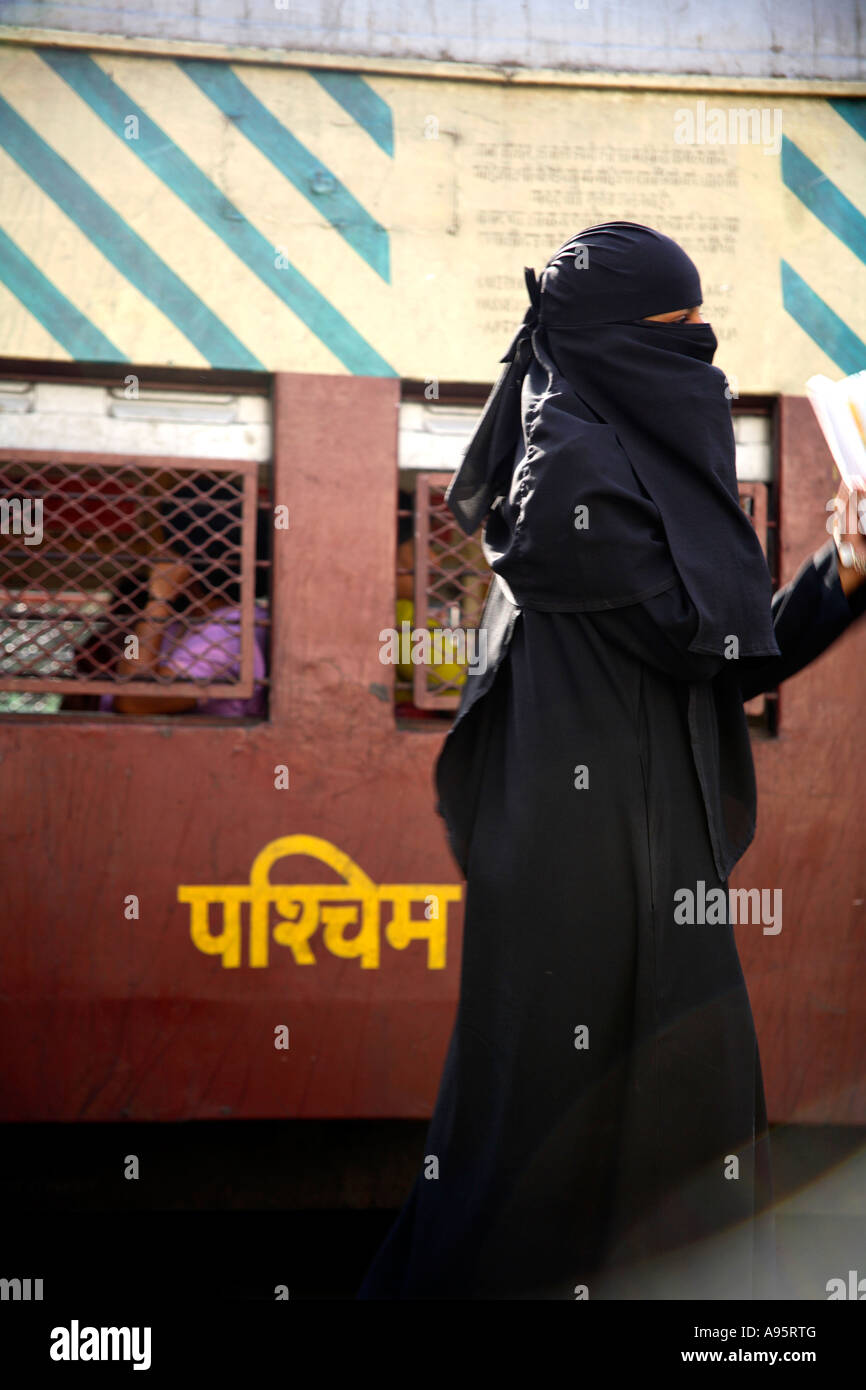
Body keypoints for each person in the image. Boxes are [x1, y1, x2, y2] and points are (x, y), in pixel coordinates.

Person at [357, 221, 866, 1301]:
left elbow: (712, 661)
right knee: (539, 1140)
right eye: (680, 335)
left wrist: (842, 571)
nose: (701, 359)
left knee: (659, 1126)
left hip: (642, 852)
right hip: (575, 871)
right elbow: (708, 641)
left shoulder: (612, 458)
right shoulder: (565, 487)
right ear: (610, 345)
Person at [96, 482, 269, 716]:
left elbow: (134, 701)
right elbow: (127, 665)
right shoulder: (181, 622)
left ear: (190, 558)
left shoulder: (230, 630)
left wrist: (158, 600)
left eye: (167, 546)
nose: (157, 557)